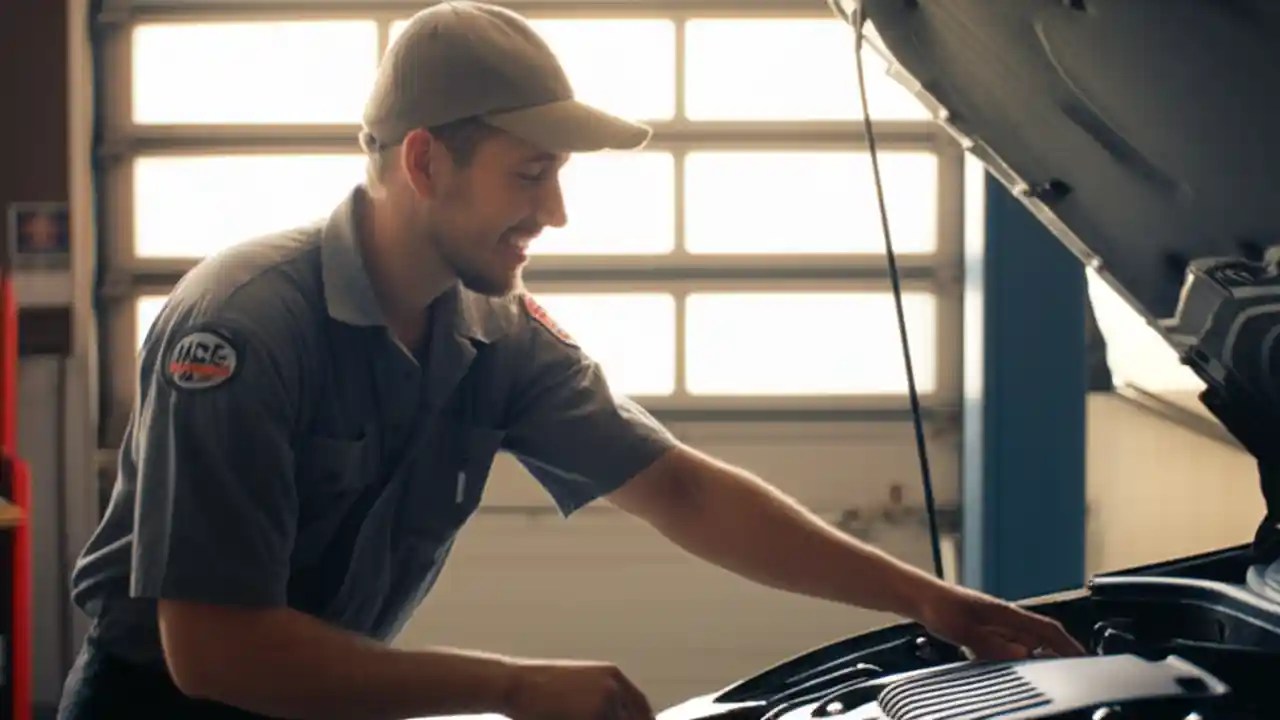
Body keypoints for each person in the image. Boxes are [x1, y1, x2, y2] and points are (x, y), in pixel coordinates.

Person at [58, 2, 1084, 718]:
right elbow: (214, 650)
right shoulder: (242, 328)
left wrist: (931, 601)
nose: (554, 212)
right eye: (531, 174)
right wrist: (510, 685)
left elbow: (679, 490)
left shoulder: (492, 335)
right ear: (424, 162)